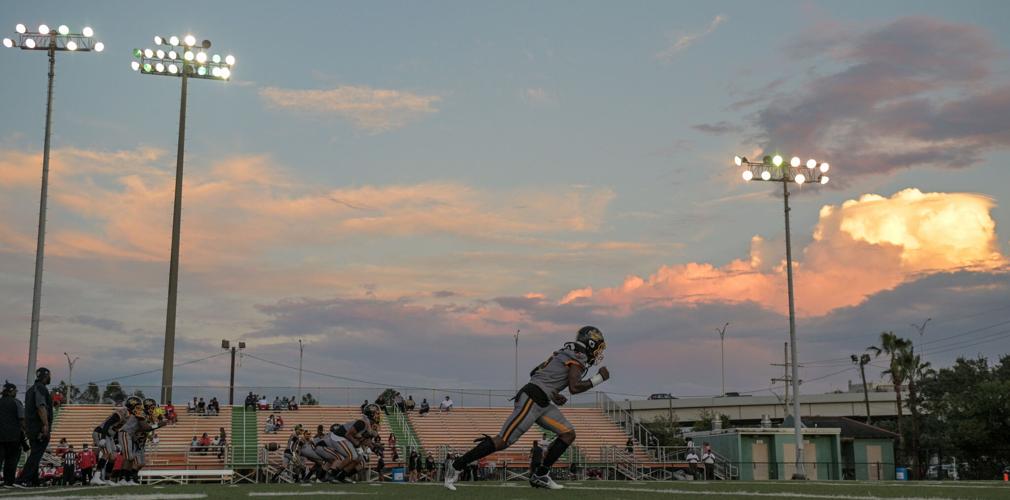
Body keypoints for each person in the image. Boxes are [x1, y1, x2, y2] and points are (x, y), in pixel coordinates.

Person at [444, 326, 609, 491]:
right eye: (598, 348)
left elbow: (535, 372)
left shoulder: (564, 352)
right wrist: (598, 378)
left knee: (568, 434)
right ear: (591, 343)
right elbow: (575, 387)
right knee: (503, 440)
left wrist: (552, 392)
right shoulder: (578, 356)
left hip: (542, 401)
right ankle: (457, 465)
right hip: (532, 399)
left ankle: (541, 475)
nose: (597, 353)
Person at [21, 367, 54, 487]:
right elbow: (41, 407)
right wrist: (45, 424)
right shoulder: (41, 388)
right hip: (38, 427)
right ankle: (23, 479)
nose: (50, 377)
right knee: (36, 455)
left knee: (35, 453)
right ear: (46, 376)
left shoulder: (30, 390)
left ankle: (33, 480)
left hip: (31, 427)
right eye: (49, 375)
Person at [0, 381, 26, 488]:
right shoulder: (16, 402)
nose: (16, 392)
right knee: (11, 461)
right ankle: (8, 482)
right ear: (11, 391)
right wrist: (25, 431)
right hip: (13, 437)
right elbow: (22, 419)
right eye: (15, 391)